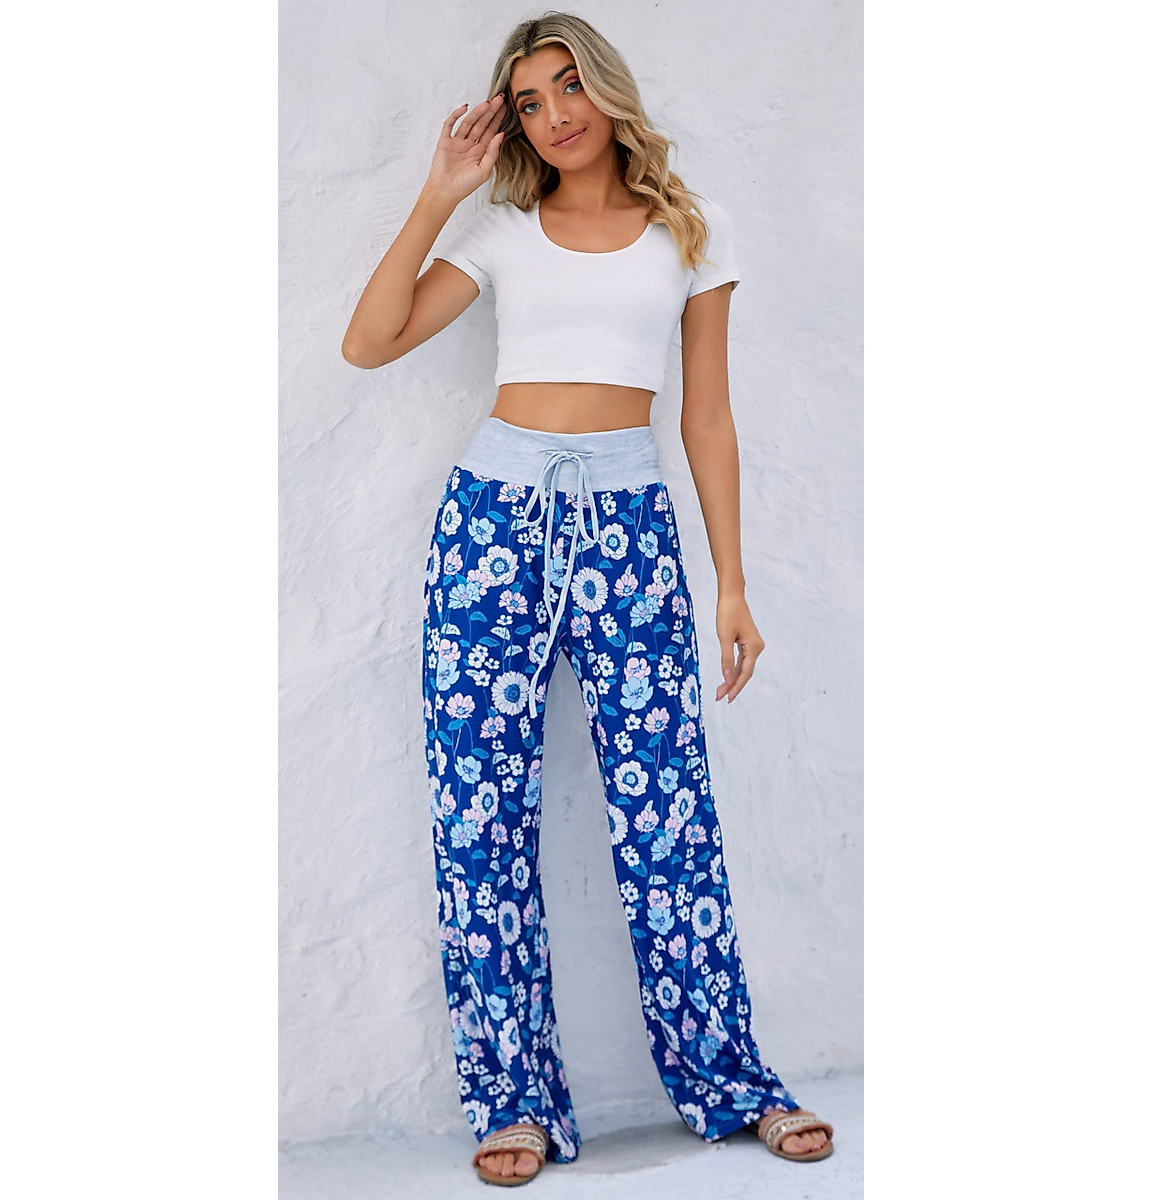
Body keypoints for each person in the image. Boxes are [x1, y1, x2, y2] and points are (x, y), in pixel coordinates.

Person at [342, 12, 834, 1188]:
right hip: (493, 526)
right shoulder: (502, 231)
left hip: (630, 528)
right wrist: (438, 196)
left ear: (607, 89)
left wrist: (732, 581)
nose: (554, 113)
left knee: (669, 817)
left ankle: (731, 1084)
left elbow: (705, 418)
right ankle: (512, 1101)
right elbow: (370, 343)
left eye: (568, 86)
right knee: (480, 818)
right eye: (529, 100)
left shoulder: (689, 230)